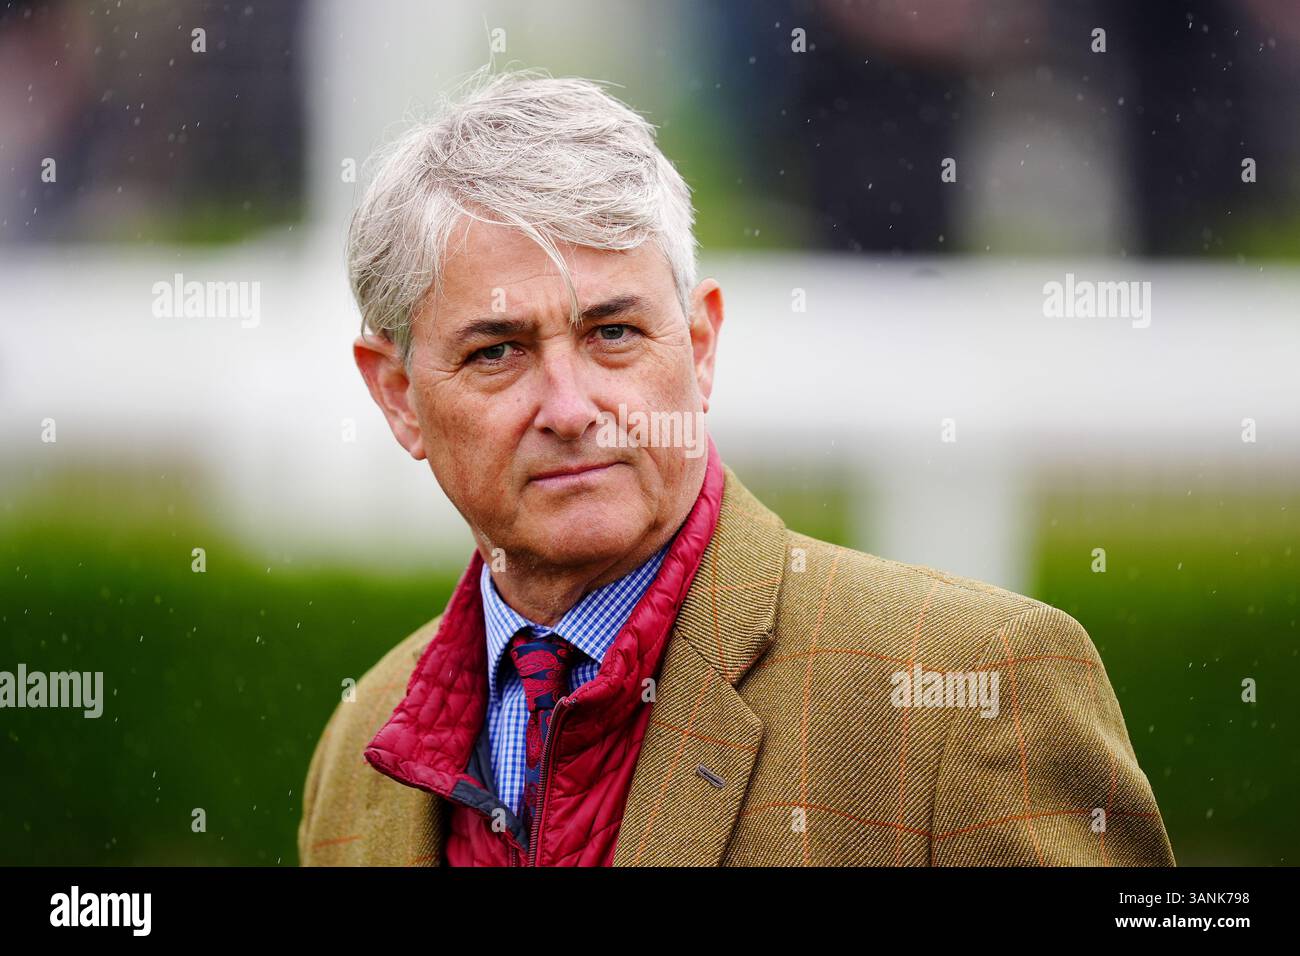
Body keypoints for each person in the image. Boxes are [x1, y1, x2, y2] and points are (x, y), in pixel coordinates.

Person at [297, 67, 1174, 866]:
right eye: (497, 351)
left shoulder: (974, 683)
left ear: (701, 348)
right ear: (399, 396)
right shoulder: (358, 745)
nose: (569, 409)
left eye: (613, 333)